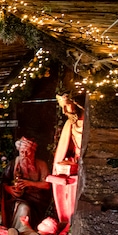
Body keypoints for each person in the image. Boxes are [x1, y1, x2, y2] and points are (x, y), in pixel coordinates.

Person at [4, 136, 51, 235]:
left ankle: (27, 234)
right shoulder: (13, 164)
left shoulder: (41, 165)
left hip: (38, 200)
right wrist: (9, 189)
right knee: (24, 208)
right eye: (22, 152)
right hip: (19, 198)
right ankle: (19, 233)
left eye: (27, 152)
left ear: (33, 152)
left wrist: (29, 183)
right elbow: (4, 182)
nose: (24, 155)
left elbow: (47, 185)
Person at [51, 93, 85, 224]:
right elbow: (66, 148)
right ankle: (68, 222)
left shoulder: (88, 123)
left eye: (67, 105)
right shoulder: (70, 124)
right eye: (62, 107)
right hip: (74, 167)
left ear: (76, 103)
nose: (64, 111)